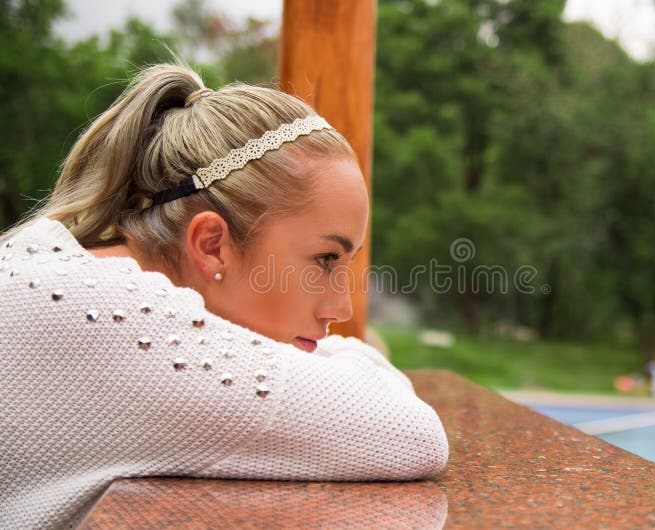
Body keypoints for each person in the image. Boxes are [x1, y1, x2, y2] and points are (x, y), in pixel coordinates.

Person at [0, 63, 449, 530]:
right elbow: (411, 434)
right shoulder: (113, 323)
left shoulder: (60, 275)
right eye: (325, 260)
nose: (341, 309)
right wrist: (359, 357)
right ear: (212, 245)